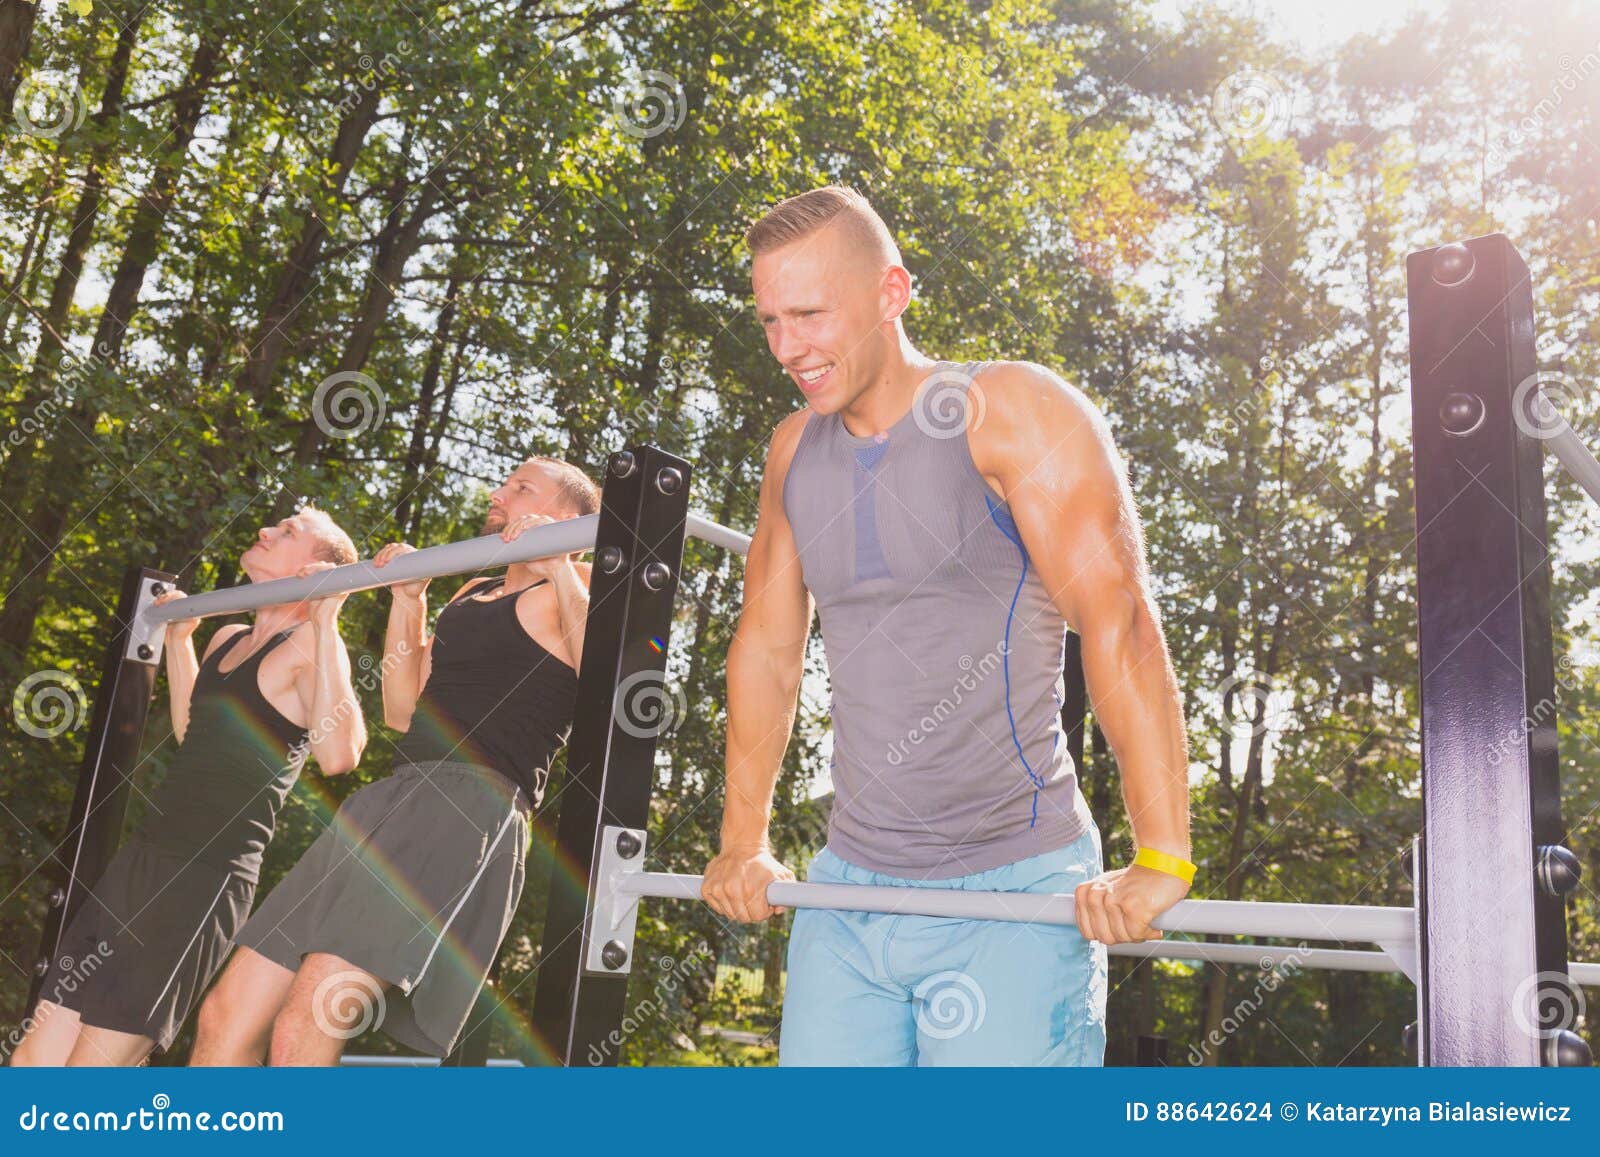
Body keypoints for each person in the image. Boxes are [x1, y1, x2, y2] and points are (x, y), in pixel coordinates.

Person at [700, 186, 1193, 1066]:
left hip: (1011, 886)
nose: (787, 347)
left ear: (893, 293)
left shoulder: (1007, 410)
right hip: (848, 891)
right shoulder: (791, 450)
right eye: (770, 319)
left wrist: (1164, 850)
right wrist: (745, 842)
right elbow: (767, 651)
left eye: (810, 313)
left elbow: (1116, 620)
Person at [189, 457, 597, 1066]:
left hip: (470, 801)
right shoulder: (472, 589)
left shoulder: (583, 586)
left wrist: (560, 562)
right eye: (504, 482)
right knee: (225, 1017)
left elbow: (606, 677)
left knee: (310, 1014)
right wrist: (410, 599)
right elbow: (403, 708)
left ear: (565, 517)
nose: (499, 493)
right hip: (394, 793)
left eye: (520, 488)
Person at [10, 505, 365, 1067]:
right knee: (31, 1062)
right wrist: (180, 642)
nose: (266, 531)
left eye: (288, 533)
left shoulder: (309, 650)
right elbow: (189, 731)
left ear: (312, 570)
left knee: (89, 1072)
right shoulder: (228, 635)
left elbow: (342, 754)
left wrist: (326, 623)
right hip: (142, 860)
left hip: (202, 879)